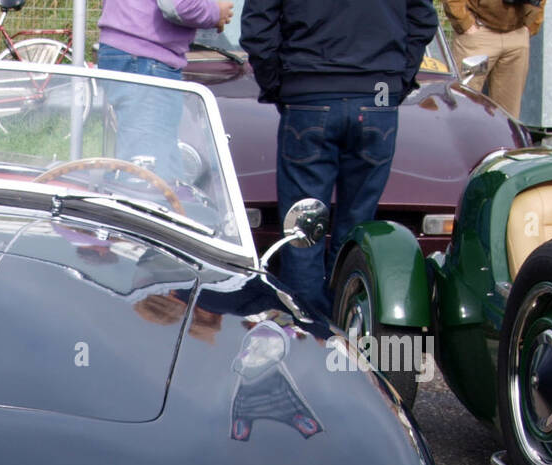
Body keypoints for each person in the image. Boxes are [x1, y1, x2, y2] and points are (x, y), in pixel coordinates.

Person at [242, 1, 436, 319]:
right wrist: (395, 82)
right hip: (376, 93)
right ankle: (350, 321)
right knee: (358, 223)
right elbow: (423, 19)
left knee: (303, 226)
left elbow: (257, 27)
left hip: (310, 91)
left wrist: (283, 85)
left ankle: (309, 330)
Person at [97, 1, 234, 183]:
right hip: (145, 55)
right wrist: (216, 12)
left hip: (132, 51)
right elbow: (178, 6)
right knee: (148, 178)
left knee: (152, 169)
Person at [443, 0, 546, 120]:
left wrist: (533, 23)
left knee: (508, 116)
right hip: (479, 36)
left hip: (517, 37)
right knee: (464, 102)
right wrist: (464, 22)